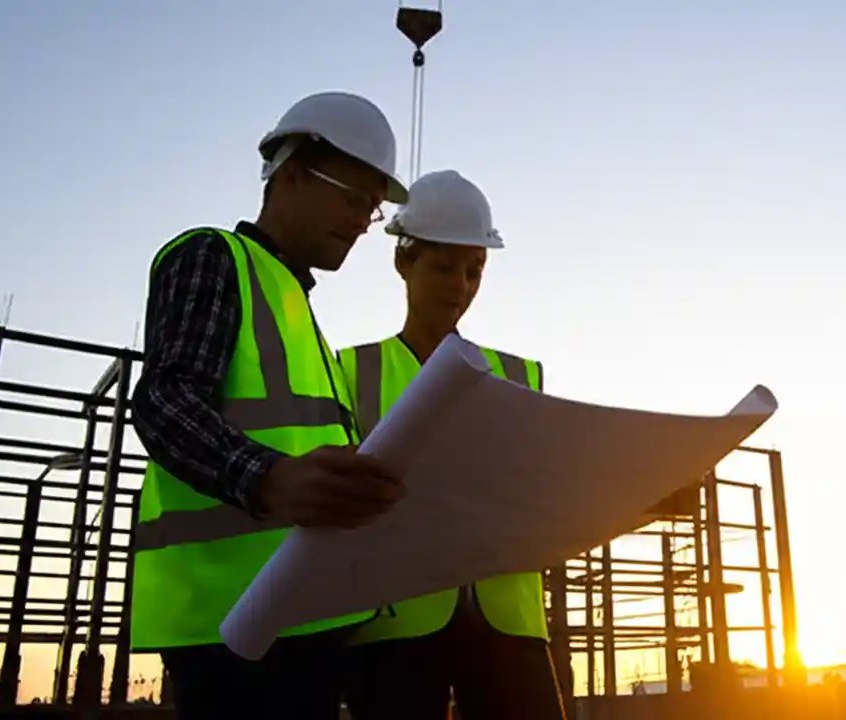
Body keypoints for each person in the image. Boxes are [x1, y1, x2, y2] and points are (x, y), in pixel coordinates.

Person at [128, 90, 412, 720]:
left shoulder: (292, 302)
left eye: (370, 208)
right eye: (353, 196)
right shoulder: (214, 257)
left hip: (301, 612)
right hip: (236, 628)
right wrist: (269, 479)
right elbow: (163, 399)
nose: (362, 222)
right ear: (288, 172)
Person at [336, 169, 568, 720]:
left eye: (474, 271)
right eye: (444, 268)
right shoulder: (351, 372)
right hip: (395, 620)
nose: (460, 286)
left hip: (509, 621)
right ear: (403, 262)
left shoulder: (519, 375)